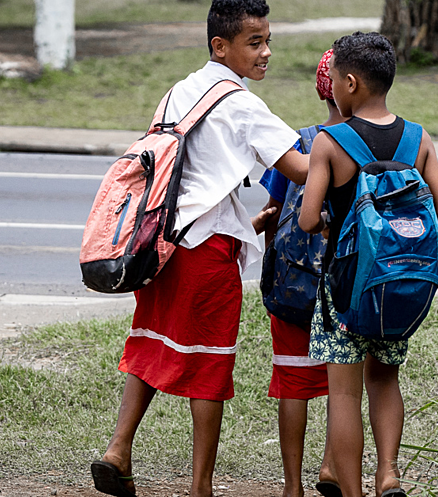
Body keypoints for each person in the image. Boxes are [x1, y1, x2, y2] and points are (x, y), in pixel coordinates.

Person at [90, 1, 309, 496]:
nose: (266, 52)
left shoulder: (179, 91)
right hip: (207, 253)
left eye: (268, 41)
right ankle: (201, 487)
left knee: (151, 339)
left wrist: (246, 222)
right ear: (220, 46)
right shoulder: (241, 104)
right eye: (255, 42)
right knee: (211, 361)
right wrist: (351, 150)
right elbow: (299, 168)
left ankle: (118, 450)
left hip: (161, 244)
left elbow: (190, 176)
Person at [298, 32, 438, 497]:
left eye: (335, 82)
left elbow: (307, 218)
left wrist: (329, 222)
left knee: (345, 394)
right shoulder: (417, 138)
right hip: (397, 284)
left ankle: (353, 493)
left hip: (346, 290)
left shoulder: (330, 142)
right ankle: (388, 474)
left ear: (350, 83)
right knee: (385, 380)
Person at [257, 48, 343, 497]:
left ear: (320, 90)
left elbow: (274, 212)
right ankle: (331, 465)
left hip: (294, 283)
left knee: (292, 381)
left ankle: (292, 486)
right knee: (343, 381)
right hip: (346, 285)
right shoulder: (368, 143)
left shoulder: (299, 143)